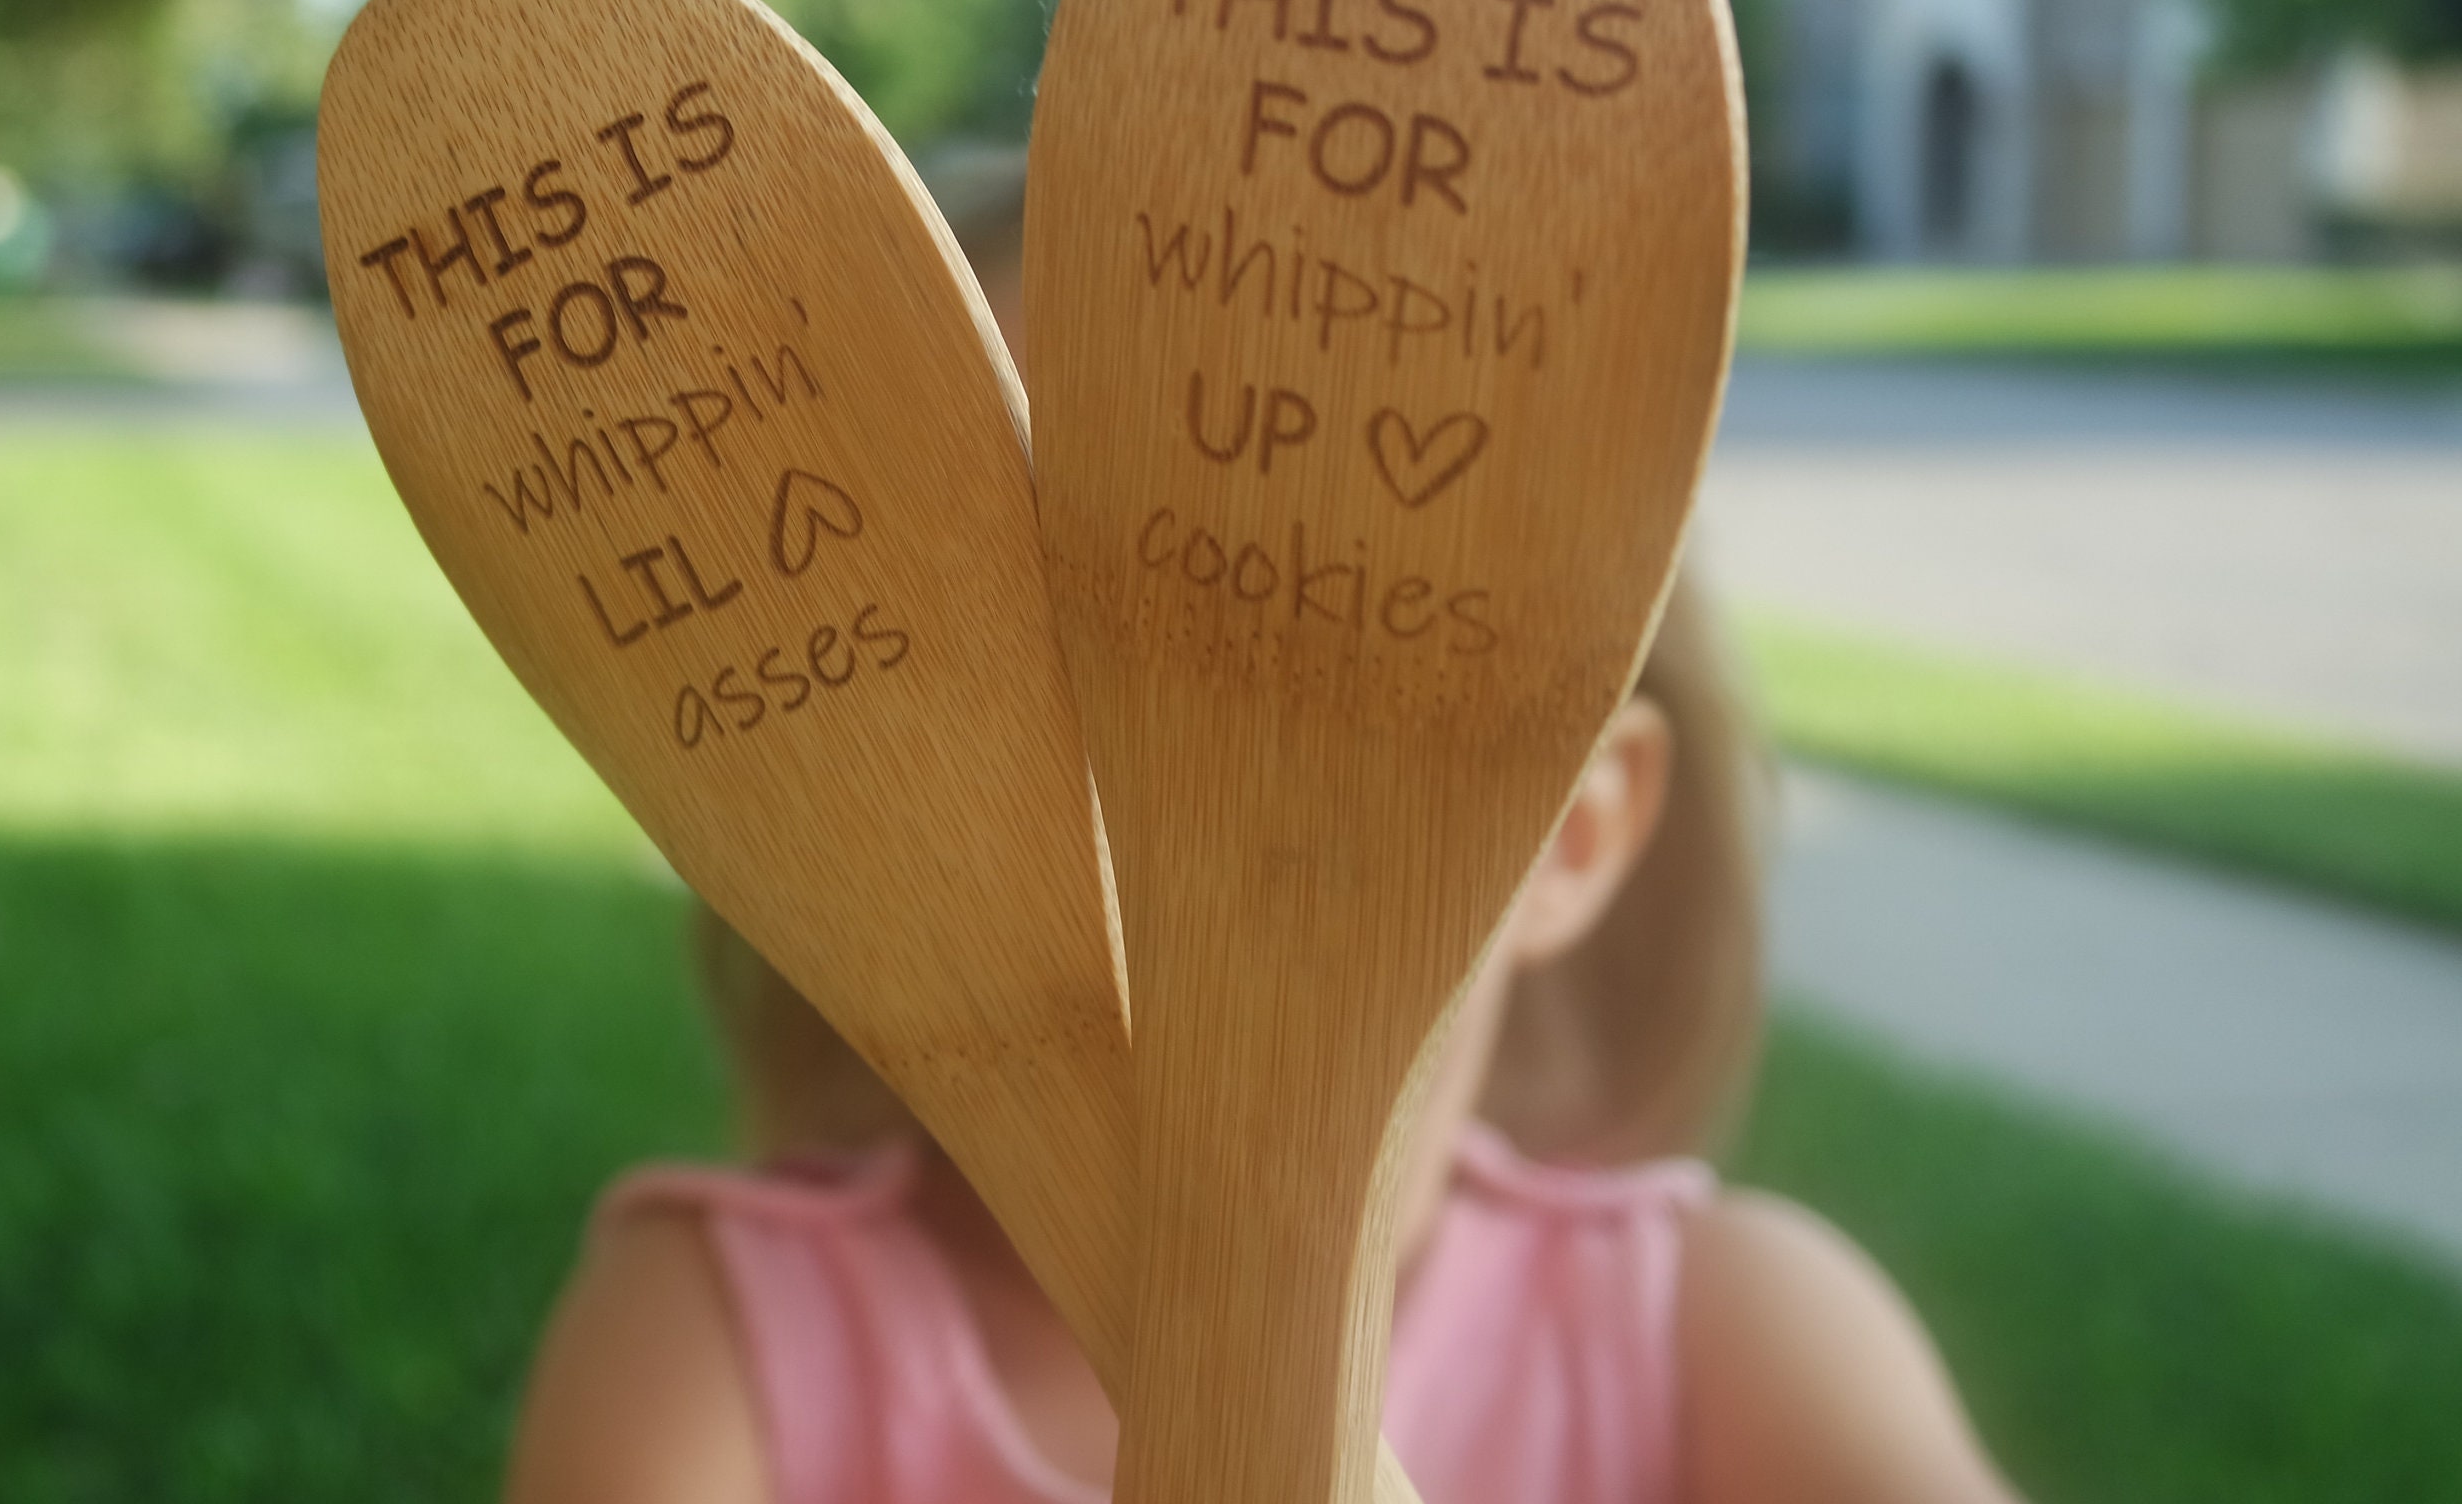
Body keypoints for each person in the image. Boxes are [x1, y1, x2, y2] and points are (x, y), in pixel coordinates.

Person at [504, 566, 2021, 1504]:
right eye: (991, 674)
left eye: (1272, 671)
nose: (1130, 810)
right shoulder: (719, 1335)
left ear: (1566, 833)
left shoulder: (1721, 1331)